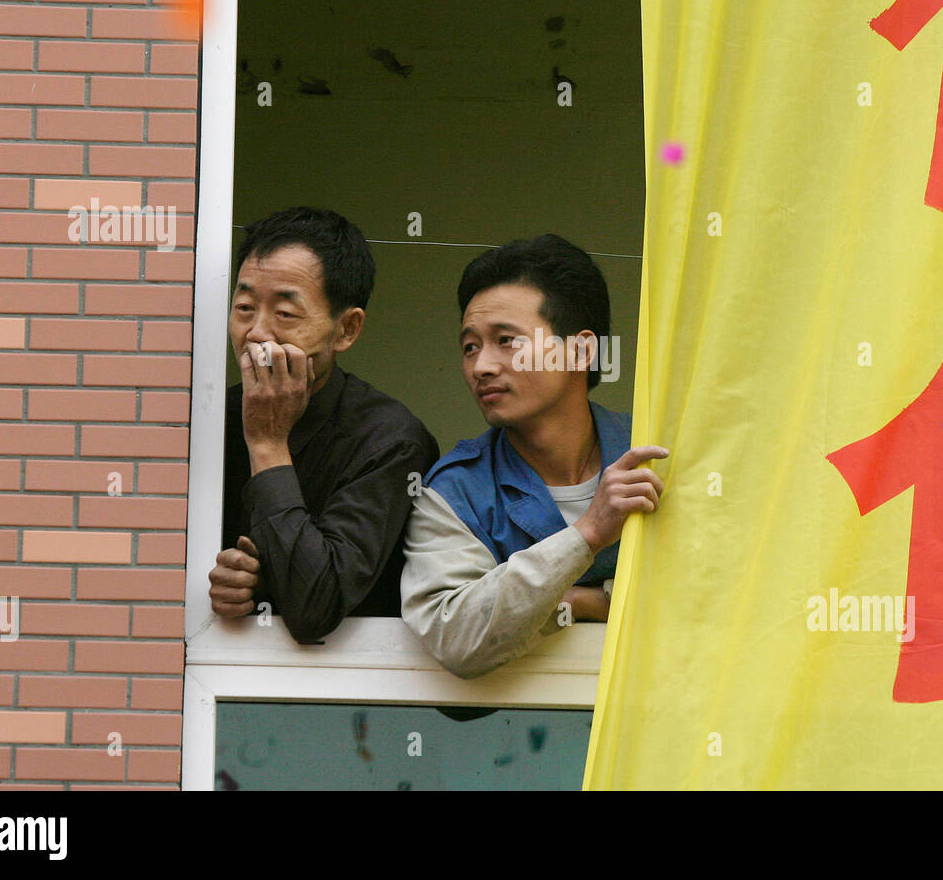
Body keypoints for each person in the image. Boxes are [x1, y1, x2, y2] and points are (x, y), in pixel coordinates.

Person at [400, 234, 668, 678]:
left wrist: (586, 600)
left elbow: (723, 595)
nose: (481, 366)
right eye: (470, 347)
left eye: (506, 340)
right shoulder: (454, 490)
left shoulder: (657, 457)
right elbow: (455, 636)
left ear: (580, 350)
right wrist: (587, 536)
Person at [210, 207, 439, 642]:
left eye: (285, 313)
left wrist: (268, 443)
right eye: (244, 308)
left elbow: (315, 608)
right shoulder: (206, 421)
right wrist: (235, 584)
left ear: (346, 329)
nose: (256, 333)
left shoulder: (391, 440)